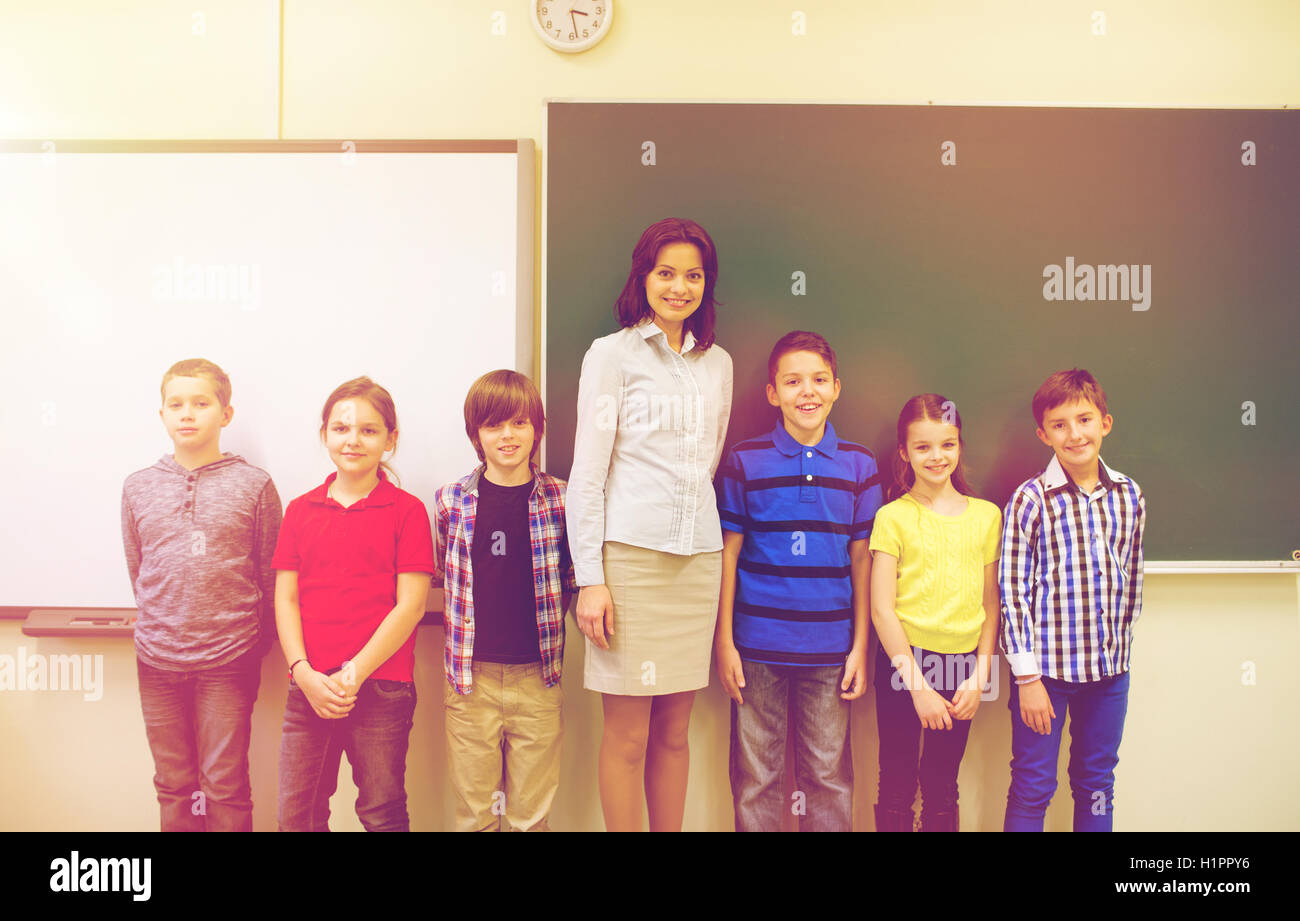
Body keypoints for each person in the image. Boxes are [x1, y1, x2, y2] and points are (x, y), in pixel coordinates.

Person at [567, 217, 733, 831]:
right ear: (644, 278)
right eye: (666, 273)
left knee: (676, 732)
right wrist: (591, 578)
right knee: (629, 736)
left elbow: (706, 463)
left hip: (697, 561)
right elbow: (587, 474)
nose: (679, 287)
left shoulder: (719, 365)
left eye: (693, 276)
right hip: (628, 563)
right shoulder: (611, 355)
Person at [715, 330, 879, 832]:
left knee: (828, 777)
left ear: (836, 388)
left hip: (831, 652)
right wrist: (724, 642)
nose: (806, 391)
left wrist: (860, 648)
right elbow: (729, 554)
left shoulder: (859, 464)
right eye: (792, 381)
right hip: (756, 648)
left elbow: (862, 563)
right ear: (772, 393)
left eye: (818, 380)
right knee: (756, 777)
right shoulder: (745, 461)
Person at [121, 358, 282, 832]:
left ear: (225, 414)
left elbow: (270, 572)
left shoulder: (255, 485)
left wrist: (259, 642)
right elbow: (140, 571)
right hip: (156, 660)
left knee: (224, 783)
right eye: (176, 404)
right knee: (173, 785)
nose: (187, 413)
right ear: (162, 415)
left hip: (228, 661)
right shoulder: (137, 487)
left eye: (201, 403)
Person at [273, 377, 434, 832]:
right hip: (308, 687)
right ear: (324, 435)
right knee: (297, 816)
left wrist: (353, 673)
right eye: (341, 428)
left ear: (390, 440)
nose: (353, 439)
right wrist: (302, 671)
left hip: (381, 687)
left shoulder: (407, 511)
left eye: (368, 430)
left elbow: (411, 606)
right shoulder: (301, 510)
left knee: (381, 812)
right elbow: (285, 598)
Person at [1000, 369, 1145, 832]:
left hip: (1109, 673)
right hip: (1047, 675)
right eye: (1059, 424)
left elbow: (1132, 577)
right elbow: (1012, 592)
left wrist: (1120, 646)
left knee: (1097, 783)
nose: (1074, 433)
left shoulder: (1129, 495)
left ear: (1105, 422)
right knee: (1033, 785)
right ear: (1043, 434)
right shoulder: (1031, 500)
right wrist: (1027, 678)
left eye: (1084, 419)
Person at [434, 369, 577, 831]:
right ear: (476, 433)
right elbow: (444, 572)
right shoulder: (451, 501)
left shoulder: (561, 500)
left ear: (537, 428)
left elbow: (573, 576)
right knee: (474, 814)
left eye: (519, 423)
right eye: (494, 425)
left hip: (538, 678)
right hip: (469, 680)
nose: (508, 435)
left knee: (530, 817)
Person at [869, 394, 1001, 832]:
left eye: (947, 444)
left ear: (959, 446)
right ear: (904, 452)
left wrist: (981, 675)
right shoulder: (892, 517)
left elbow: (989, 604)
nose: (936, 456)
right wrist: (919, 689)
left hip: (962, 667)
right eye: (923, 447)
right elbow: (882, 610)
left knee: (943, 783)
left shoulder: (987, 517)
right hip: (903, 664)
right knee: (897, 781)